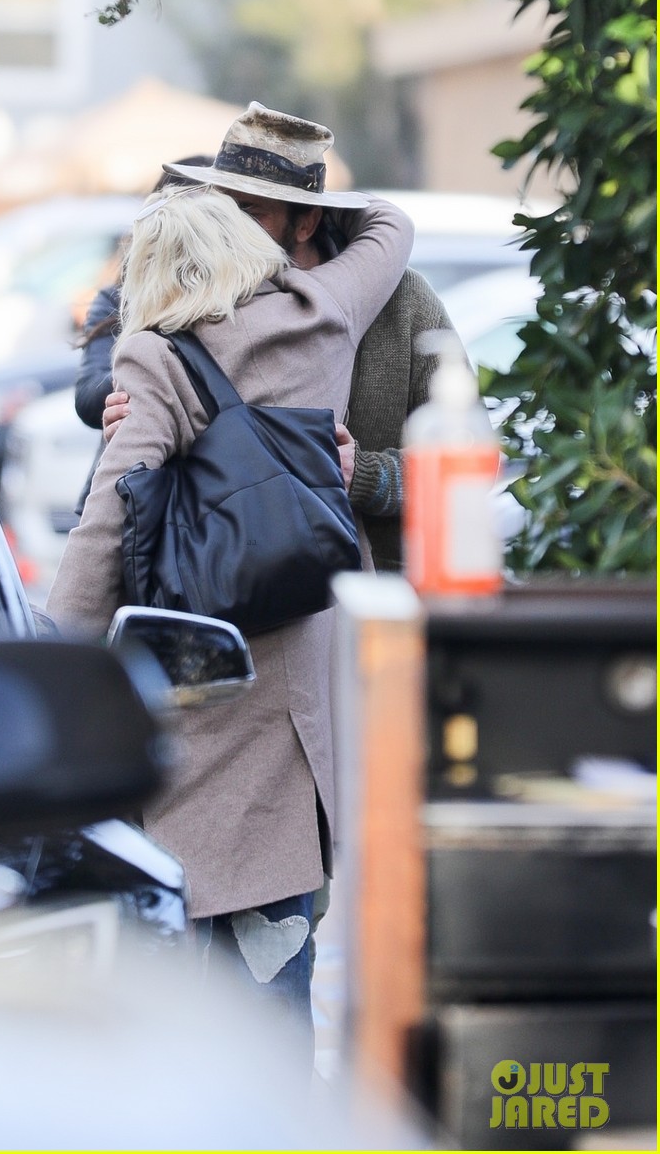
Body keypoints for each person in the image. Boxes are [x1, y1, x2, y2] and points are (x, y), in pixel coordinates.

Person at [46, 104, 414, 1072]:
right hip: (299, 739)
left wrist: (49, 658)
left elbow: (105, 527)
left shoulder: (155, 355)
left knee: (175, 1028)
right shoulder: (325, 312)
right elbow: (393, 224)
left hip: (201, 732)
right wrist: (311, 212)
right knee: (275, 1015)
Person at [104, 106, 469, 574]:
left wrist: (365, 474)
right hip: (241, 591)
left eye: (250, 212)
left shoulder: (404, 302)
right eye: (222, 210)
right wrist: (146, 427)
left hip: (385, 595)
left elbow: (469, 463)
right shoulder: (201, 302)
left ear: (307, 223)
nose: (229, 229)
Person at [73, 156, 214, 515]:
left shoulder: (241, 301)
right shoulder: (118, 298)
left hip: (206, 495)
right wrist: (147, 373)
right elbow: (88, 398)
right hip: (128, 493)